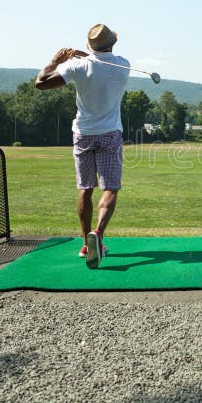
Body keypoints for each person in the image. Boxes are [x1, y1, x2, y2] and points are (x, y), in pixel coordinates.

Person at [35, 23, 130, 268]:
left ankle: (86, 244)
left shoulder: (77, 66)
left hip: (83, 134)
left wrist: (56, 60)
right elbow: (100, 64)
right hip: (110, 134)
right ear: (113, 43)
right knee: (110, 188)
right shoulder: (123, 65)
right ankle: (98, 234)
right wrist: (87, 56)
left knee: (85, 188)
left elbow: (41, 82)